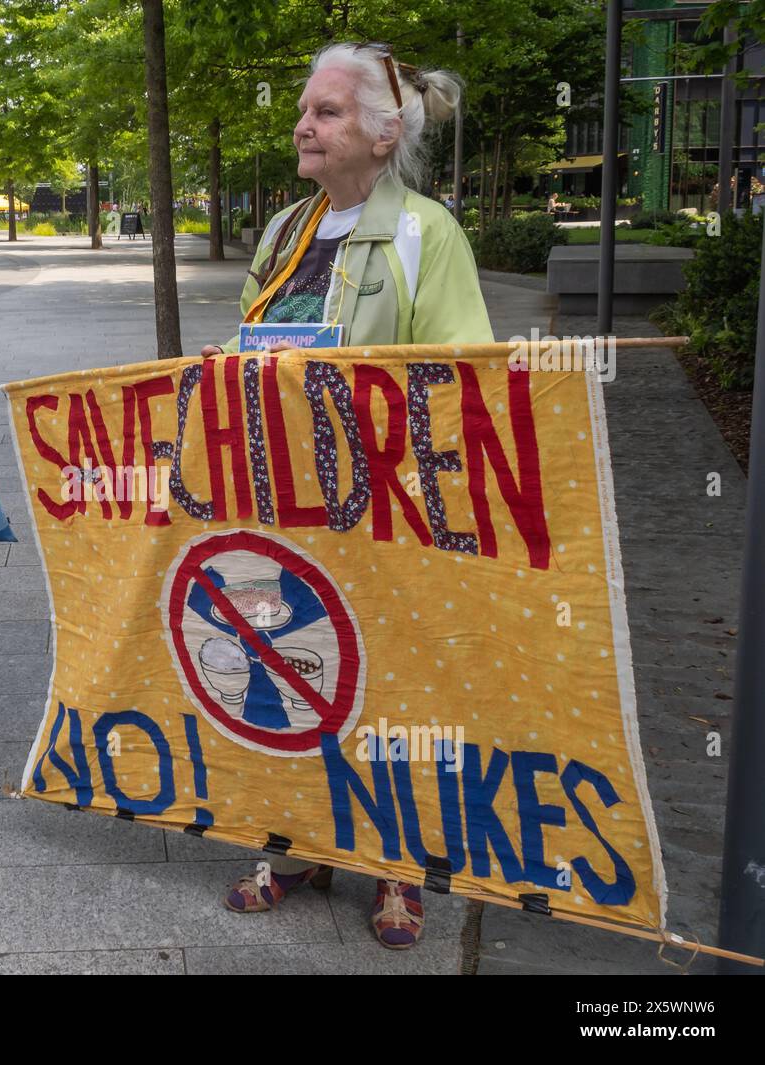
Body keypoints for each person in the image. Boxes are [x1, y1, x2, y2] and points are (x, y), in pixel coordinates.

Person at [200, 41, 493, 950]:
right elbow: (251, 342)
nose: (304, 124)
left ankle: (394, 862)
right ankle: (292, 838)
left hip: (383, 511)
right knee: (284, 662)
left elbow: (461, 374)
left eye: (327, 112)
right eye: (305, 109)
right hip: (280, 505)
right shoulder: (286, 230)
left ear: (383, 131)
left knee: (390, 676)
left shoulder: (425, 233)